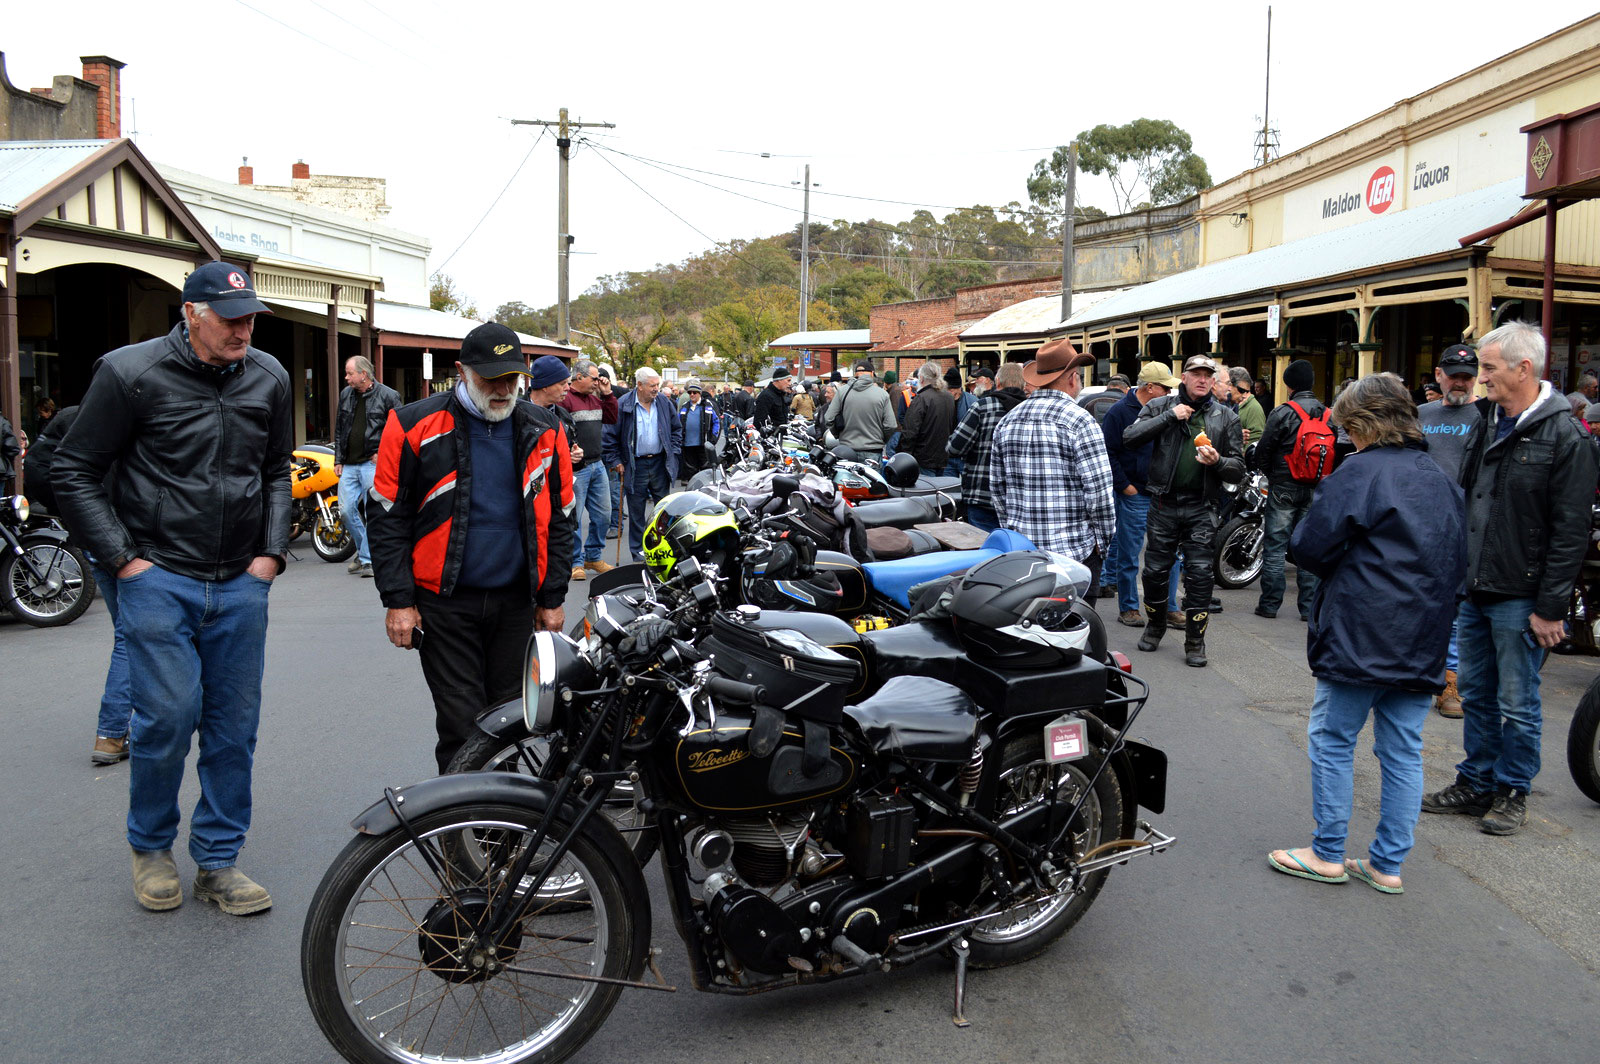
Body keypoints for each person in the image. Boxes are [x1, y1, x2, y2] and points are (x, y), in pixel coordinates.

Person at [53, 260, 290, 915]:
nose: (243, 330)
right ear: (191, 311)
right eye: (229, 317)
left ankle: (218, 861)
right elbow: (71, 469)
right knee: (165, 720)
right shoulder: (129, 373)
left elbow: (275, 470)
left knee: (233, 729)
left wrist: (270, 554)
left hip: (241, 582)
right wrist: (125, 561)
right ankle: (151, 846)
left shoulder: (269, 376)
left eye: (250, 318)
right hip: (158, 577)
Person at [1268, 373, 1466, 894]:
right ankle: (1387, 864)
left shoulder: (1361, 471)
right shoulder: (1441, 476)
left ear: (1361, 425)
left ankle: (1328, 852)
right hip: (1422, 631)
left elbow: (1309, 546)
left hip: (1362, 627)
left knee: (1333, 739)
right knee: (1402, 749)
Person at [369, 322, 575, 774]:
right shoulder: (411, 424)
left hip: (516, 603)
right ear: (461, 371)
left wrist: (553, 597)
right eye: (489, 379)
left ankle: (500, 835)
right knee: (464, 726)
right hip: (444, 606)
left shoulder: (546, 430)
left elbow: (562, 520)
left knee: (511, 721)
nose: (502, 389)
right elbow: (386, 519)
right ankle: (464, 837)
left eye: (510, 378)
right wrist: (399, 601)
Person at [1422, 321, 1598, 835]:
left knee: (1517, 701)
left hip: (1521, 596)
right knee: (1475, 692)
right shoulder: (1487, 420)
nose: (1480, 377)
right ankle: (1476, 782)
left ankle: (1513, 790)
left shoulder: (1565, 435)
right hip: (1476, 588)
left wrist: (1550, 608)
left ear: (1524, 369)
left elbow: (1571, 532)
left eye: (1490, 368)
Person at [1122, 354, 1244, 667]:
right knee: (1154, 573)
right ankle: (1156, 626)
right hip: (1164, 502)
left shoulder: (1226, 417)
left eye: (1208, 375)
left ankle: (1195, 641)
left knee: (1201, 575)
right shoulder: (1162, 406)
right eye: (1196, 374)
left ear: (1214, 381)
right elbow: (1130, 437)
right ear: (1184, 378)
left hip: (1202, 506)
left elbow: (1238, 469)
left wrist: (1217, 462)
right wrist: (1169, 417)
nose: (1202, 379)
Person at [989, 339, 1115, 598]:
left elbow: (997, 491)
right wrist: (1103, 544)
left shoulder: (1008, 421)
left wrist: (1013, 532)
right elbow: (1100, 496)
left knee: (1028, 631)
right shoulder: (1080, 421)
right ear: (1072, 378)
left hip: (1023, 555)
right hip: (1073, 554)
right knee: (1074, 632)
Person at [1417, 344, 1483, 718]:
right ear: (1439, 376)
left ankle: (1449, 683)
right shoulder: (1421, 414)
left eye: (1467, 376)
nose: (1460, 382)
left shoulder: (1485, 416)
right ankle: (1416, 674)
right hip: (1423, 525)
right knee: (1420, 601)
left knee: (1456, 608)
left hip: (1466, 527)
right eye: (1453, 375)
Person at [1101, 361, 1185, 628]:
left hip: (1163, 492)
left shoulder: (1168, 408)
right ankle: (1129, 608)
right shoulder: (1119, 412)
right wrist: (1125, 485)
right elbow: (1109, 452)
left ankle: (1169, 607)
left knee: (1170, 553)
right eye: (1165, 388)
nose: (1170, 393)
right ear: (1150, 387)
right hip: (1136, 492)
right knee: (1129, 553)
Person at [1252, 359, 1326, 622]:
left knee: (1275, 547)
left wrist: (1269, 474)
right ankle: (1307, 608)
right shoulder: (1326, 413)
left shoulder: (1283, 412)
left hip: (1283, 485)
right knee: (1307, 548)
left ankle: (1270, 605)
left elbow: (1264, 449)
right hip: (1315, 487)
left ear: (1288, 384)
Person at [603, 367, 682, 562]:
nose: (656, 389)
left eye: (658, 385)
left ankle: (662, 551)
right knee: (637, 513)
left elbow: (676, 429)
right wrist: (615, 460)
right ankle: (638, 555)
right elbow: (609, 435)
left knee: (663, 511)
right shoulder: (623, 405)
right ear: (639, 385)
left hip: (659, 463)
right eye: (652, 386)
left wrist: (673, 452)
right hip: (634, 464)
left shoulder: (664, 402)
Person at [334, 355, 402, 578]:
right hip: (350, 464)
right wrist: (338, 459)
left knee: (372, 511)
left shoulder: (389, 396)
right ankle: (366, 553)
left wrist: (383, 454)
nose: (346, 378)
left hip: (372, 464)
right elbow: (339, 428)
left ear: (363, 374)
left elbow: (399, 430)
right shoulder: (346, 395)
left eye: (350, 373)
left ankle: (366, 559)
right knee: (345, 510)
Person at [524, 355, 586, 581]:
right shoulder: (514, 416)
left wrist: (576, 456)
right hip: (528, 503)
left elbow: (572, 448)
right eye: (562, 383)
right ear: (544, 385)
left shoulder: (563, 416)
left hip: (559, 498)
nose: (568, 388)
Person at [947, 361, 1027, 533]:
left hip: (982, 495)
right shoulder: (1031, 410)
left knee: (985, 553)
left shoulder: (983, 407)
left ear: (998, 382)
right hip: (1020, 500)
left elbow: (954, 447)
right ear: (1023, 384)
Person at [558, 358, 618, 578]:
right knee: (574, 518)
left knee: (604, 515)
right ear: (579, 377)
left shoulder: (595, 399)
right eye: (594, 378)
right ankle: (576, 561)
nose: (597, 381)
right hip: (576, 469)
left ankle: (593, 557)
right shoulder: (565, 401)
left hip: (597, 465)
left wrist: (608, 393)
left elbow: (611, 417)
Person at [827, 359, 899, 458]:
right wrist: (881, 439)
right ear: (872, 373)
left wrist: (838, 435)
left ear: (856, 374)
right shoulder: (882, 394)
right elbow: (890, 425)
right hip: (873, 450)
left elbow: (829, 418)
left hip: (846, 449)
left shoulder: (841, 392)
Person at [900, 361, 956, 476]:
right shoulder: (949, 398)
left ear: (921, 378)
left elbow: (910, 431)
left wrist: (903, 456)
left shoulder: (921, 398)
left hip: (923, 459)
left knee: (924, 491)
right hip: (942, 457)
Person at [598, 367, 625, 539]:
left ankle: (616, 524)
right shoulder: (586, 397)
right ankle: (607, 523)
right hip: (592, 453)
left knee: (614, 491)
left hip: (610, 452)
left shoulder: (618, 395)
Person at [679, 380, 720, 484]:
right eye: (690, 393)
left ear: (699, 393)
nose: (692, 395)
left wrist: (713, 439)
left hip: (703, 444)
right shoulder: (685, 406)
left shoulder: (708, 405)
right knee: (691, 471)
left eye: (694, 392)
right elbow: (678, 424)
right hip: (688, 445)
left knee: (705, 470)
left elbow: (716, 422)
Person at [1226, 366, 1266, 445]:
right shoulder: (1224, 404)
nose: (1243, 395)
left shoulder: (1254, 407)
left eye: (1247, 391)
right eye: (1241, 390)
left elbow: (1256, 438)